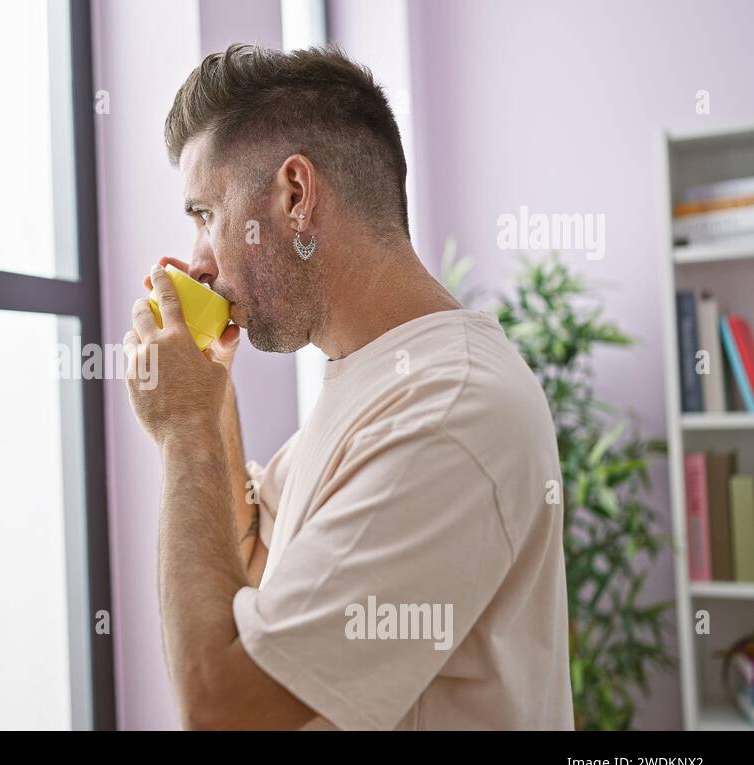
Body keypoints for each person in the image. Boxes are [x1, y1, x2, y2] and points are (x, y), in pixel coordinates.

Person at [123, 44, 574, 730]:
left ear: (295, 196)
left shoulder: (449, 412)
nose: (198, 262)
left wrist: (183, 431)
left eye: (205, 215)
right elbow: (250, 566)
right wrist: (209, 396)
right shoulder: (375, 378)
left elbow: (221, 709)